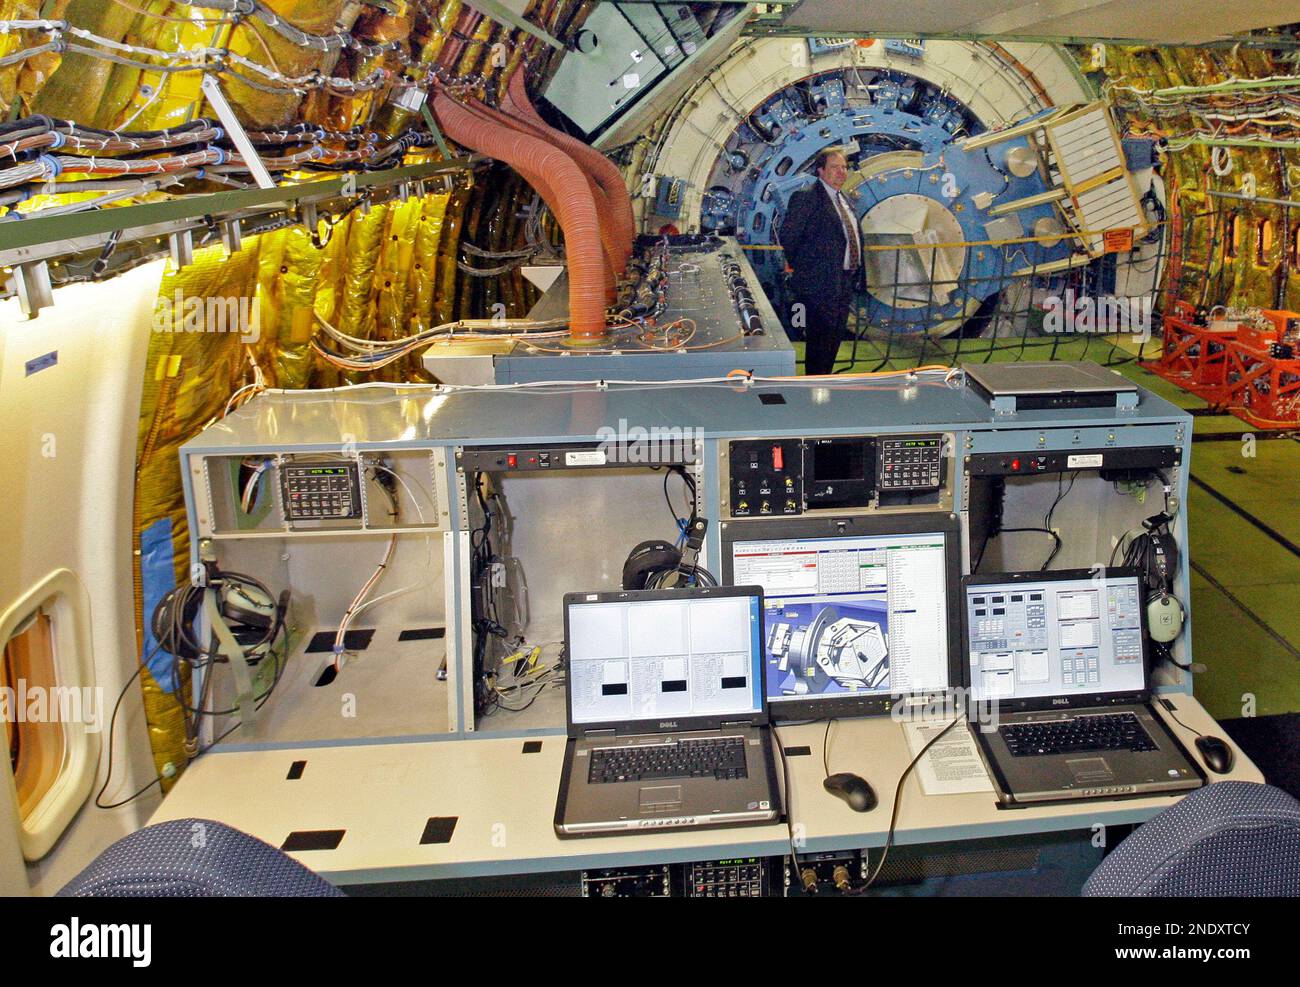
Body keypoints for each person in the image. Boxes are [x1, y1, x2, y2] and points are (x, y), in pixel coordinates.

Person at [779, 149, 863, 376]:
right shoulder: (807, 197)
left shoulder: (842, 199)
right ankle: (814, 384)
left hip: (843, 281)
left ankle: (823, 380)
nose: (841, 172)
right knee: (819, 339)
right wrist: (809, 270)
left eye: (844, 167)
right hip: (820, 285)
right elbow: (789, 237)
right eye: (835, 167)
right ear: (821, 170)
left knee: (834, 337)